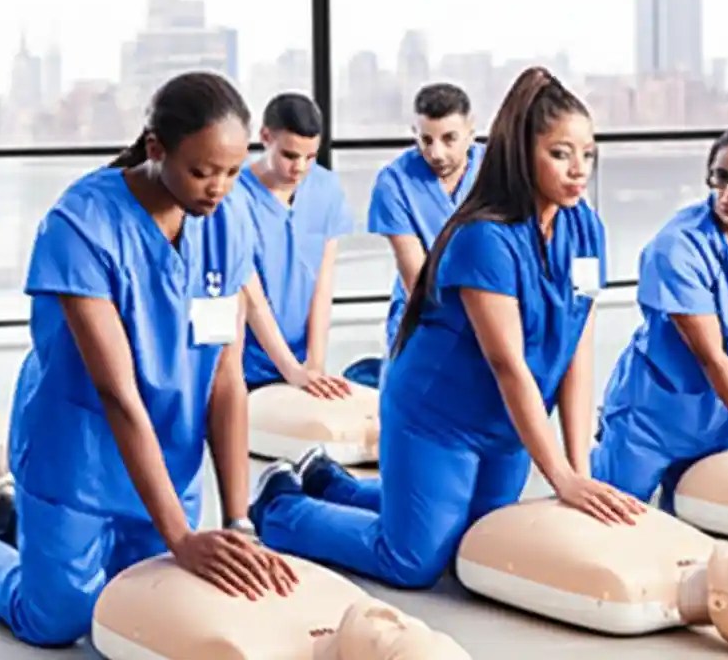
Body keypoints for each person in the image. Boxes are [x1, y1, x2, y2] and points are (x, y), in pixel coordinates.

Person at [0, 71, 298, 647]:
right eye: (202, 171)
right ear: (156, 149)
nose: (218, 189)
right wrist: (180, 537)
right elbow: (118, 393)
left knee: (142, 611)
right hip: (77, 457)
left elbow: (226, 379)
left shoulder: (229, 220)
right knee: (59, 620)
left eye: (231, 171)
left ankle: (17, 518)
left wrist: (238, 520)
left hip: (168, 460)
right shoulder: (81, 226)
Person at [248, 66, 645, 590]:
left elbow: (577, 348)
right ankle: (281, 504)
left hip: (504, 424)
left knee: (475, 543)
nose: (578, 170)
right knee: (413, 560)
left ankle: (331, 483)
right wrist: (561, 479)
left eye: (587, 154)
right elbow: (507, 365)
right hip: (437, 416)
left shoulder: (586, 229)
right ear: (521, 153)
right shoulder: (486, 239)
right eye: (560, 153)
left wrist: (579, 471)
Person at [592, 122, 728, 512]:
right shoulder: (678, 247)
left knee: (701, 527)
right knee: (613, 516)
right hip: (653, 419)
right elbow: (713, 358)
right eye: (721, 177)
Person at [234, 92, 354, 399]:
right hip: (247, 365)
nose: (300, 167)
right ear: (265, 137)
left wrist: (315, 363)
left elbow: (323, 283)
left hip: (303, 360)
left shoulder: (326, 188)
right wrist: (291, 370)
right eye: (289, 155)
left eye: (310, 157)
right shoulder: (235, 196)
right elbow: (253, 300)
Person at [369, 83, 484, 353]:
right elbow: (418, 284)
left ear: (471, 132)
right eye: (426, 140)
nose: (436, 153)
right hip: (424, 319)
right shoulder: (394, 183)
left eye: (449, 139)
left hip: (492, 311)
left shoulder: (496, 170)